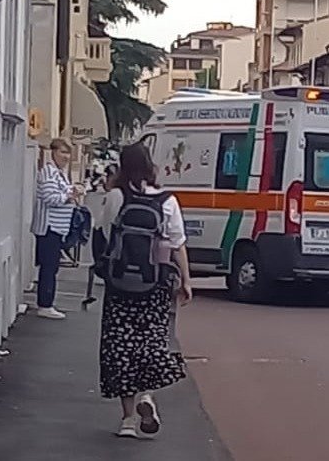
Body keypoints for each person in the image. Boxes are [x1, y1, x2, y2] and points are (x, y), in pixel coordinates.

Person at [99, 142, 193, 439]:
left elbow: (104, 233)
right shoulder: (167, 200)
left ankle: (127, 420)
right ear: (150, 165)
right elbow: (178, 243)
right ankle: (146, 396)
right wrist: (186, 281)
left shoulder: (116, 196)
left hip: (121, 284)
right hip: (156, 283)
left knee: (120, 348)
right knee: (150, 343)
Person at [31, 138, 82, 320]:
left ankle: (46, 303)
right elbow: (49, 197)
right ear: (52, 152)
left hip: (57, 228)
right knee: (49, 266)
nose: (66, 157)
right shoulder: (49, 173)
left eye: (68, 153)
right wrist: (70, 195)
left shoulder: (59, 173)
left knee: (52, 267)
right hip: (49, 228)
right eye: (62, 152)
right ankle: (45, 304)